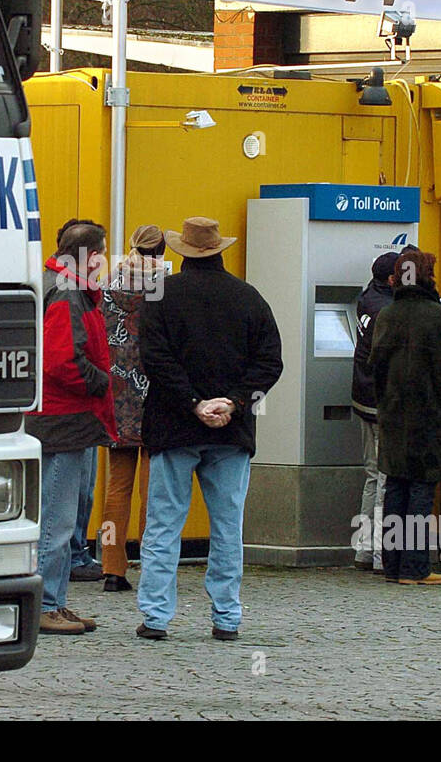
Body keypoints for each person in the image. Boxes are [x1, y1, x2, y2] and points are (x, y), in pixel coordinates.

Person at [136, 217, 282, 641]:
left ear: (182, 253)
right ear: (221, 251)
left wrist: (192, 402)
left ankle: (157, 617)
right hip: (231, 434)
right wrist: (233, 402)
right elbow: (270, 362)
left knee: (163, 526)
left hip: (175, 427)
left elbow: (154, 358)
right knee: (227, 527)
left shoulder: (162, 295)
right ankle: (227, 618)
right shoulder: (249, 298)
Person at [28, 219, 117, 633]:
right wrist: (101, 382)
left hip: (58, 420)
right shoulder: (67, 294)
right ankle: (47, 605)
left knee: (56, 518)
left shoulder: (59, 285)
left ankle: (56, 602)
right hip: (64, 421)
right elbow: (62, 360)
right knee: (57, 522)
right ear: (94, 255)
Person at [370, 249, 441, 584]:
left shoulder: (387, 315)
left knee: (395, 487)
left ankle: (393, 565)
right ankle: (415, 567)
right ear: (429, 277)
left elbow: (375, 366)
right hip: (432, 415)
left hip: (394, 413)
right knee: (421, 489)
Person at [99, 224, 169, 592]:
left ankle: (112, 567)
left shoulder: (109, 282)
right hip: (156, 394)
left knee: (117, 487)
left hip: (117, 395)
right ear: (161, 251)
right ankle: (151, 564)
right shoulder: (165, 288)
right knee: (153, 488)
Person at [349, 251, 399, 571]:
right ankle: (383, 554)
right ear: (393, 279)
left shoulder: (366, 297)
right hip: (382, 401)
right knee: (385, 478)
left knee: (371, 475)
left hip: (362, 397)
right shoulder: (388, 310)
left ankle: (363, 550)